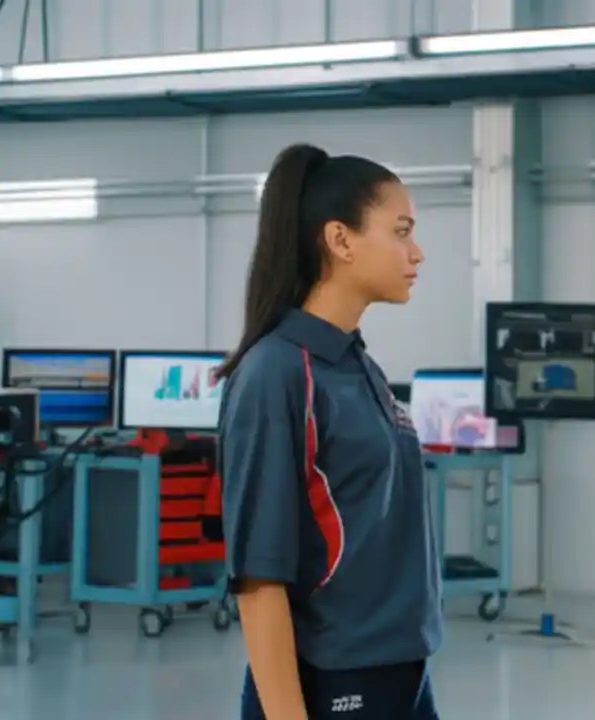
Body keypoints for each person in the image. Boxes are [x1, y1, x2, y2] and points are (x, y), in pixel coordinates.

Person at [217, 143, 442, 719]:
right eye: (401, 232)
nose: (416, 252)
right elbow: (258, 580)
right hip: (333, 677)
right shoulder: (276, 373)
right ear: (340, 240)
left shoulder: (358, 366)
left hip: (400, 670)